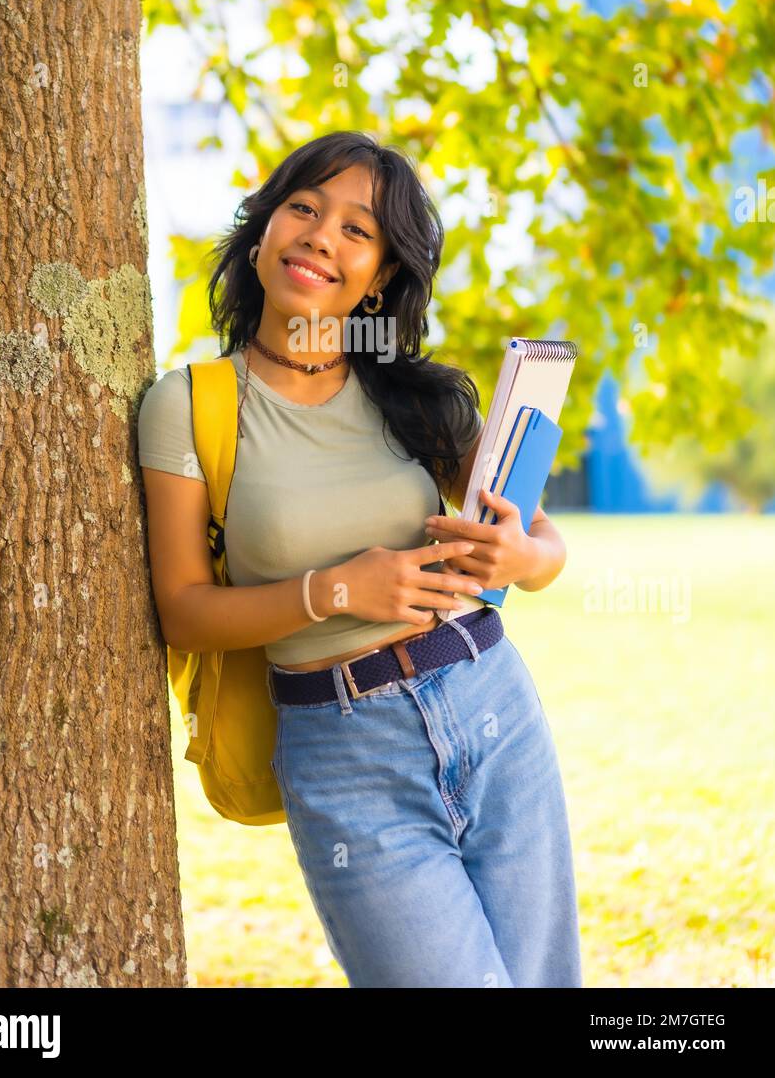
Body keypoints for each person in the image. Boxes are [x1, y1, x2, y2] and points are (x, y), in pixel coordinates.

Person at [138, 129, 583, 988]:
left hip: (490, 704)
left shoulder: (421, 398)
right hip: (343, 753)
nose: (320, 236)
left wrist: (514, 553)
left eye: (356, 229)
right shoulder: (189, 405)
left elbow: (548, 548)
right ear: (262, 231)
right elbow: (184, 609)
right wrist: (337, 588)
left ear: (380, 276)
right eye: (302, 209)